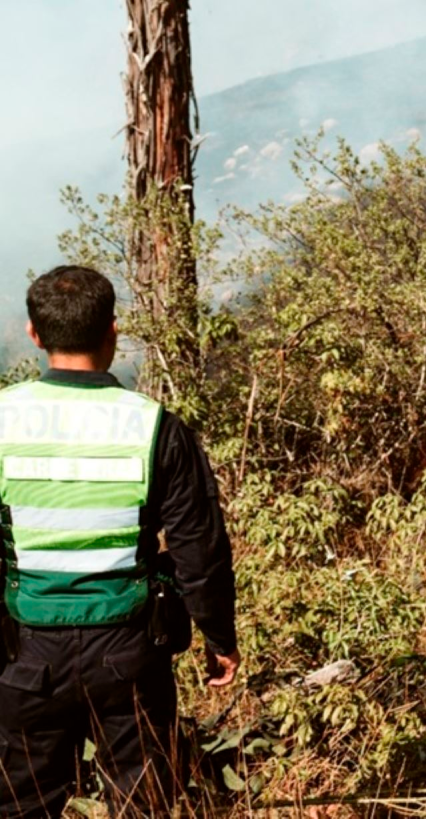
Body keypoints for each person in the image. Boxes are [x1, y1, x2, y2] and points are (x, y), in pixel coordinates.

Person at [0, 266, 239, 817]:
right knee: (144, 798)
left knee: (20, 803)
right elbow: (198, 548)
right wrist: (218, 636)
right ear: (113, 329)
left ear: (35, 336)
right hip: (129, 653)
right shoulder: (154, 426)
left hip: (24, 653)